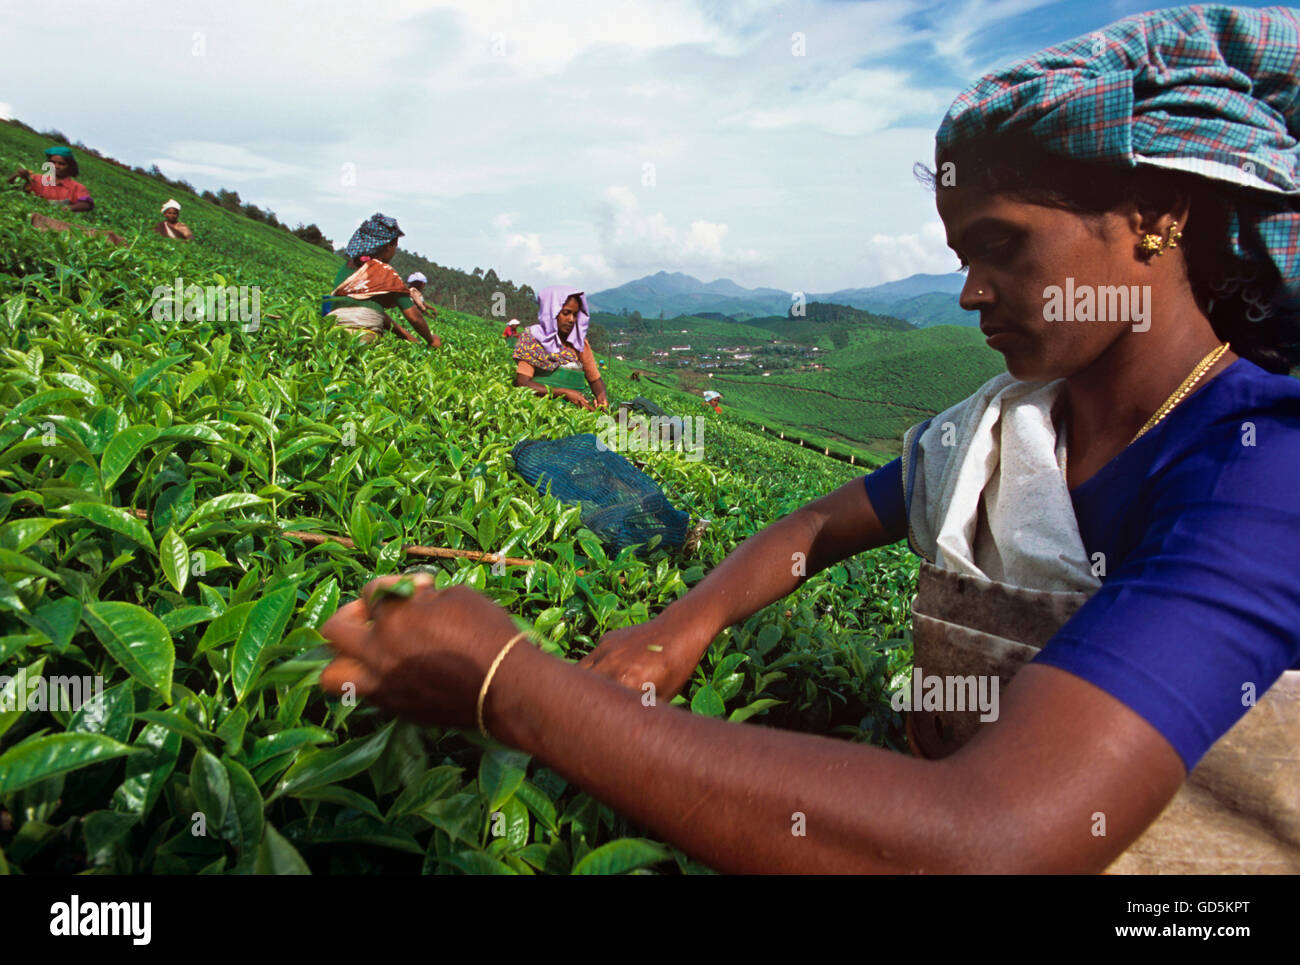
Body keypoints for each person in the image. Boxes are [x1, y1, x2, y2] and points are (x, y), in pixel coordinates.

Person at [319, 6, 1300, 874]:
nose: (967, 292)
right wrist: (683, 626)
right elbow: (819, 526)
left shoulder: (1262, 470)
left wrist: (514, 685)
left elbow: (990, 837)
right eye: (959, 256)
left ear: (1156, 217)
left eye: (1000, 245)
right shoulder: (1004, 430)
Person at [322, 213, 441, 348]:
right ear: (388, 245)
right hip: (363, 336)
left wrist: (408, 337)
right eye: (395, 246)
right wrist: (431, 340)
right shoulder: (384, 273)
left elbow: (370, 311)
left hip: (331, 333)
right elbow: (414, 317)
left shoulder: (347, 267)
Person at [511, 285, 608, 410]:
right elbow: (523, 383)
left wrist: (601, 397)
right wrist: (563, 393)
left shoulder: (579, 343)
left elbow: (595, 380)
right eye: (566, 313)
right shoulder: (533, 339)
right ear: (551, 311)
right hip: (540, 410)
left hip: (576, 413)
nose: (571, 319)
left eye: (575, 314)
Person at [7, 145, 93, 211]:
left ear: (69, 166)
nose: (56, 166)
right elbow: (10, 186)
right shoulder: (36, 179)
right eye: (53, 162)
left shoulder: (76, 187)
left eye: (61, 164)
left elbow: (87, 204)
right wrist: (18, 175)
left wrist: (66, 209)